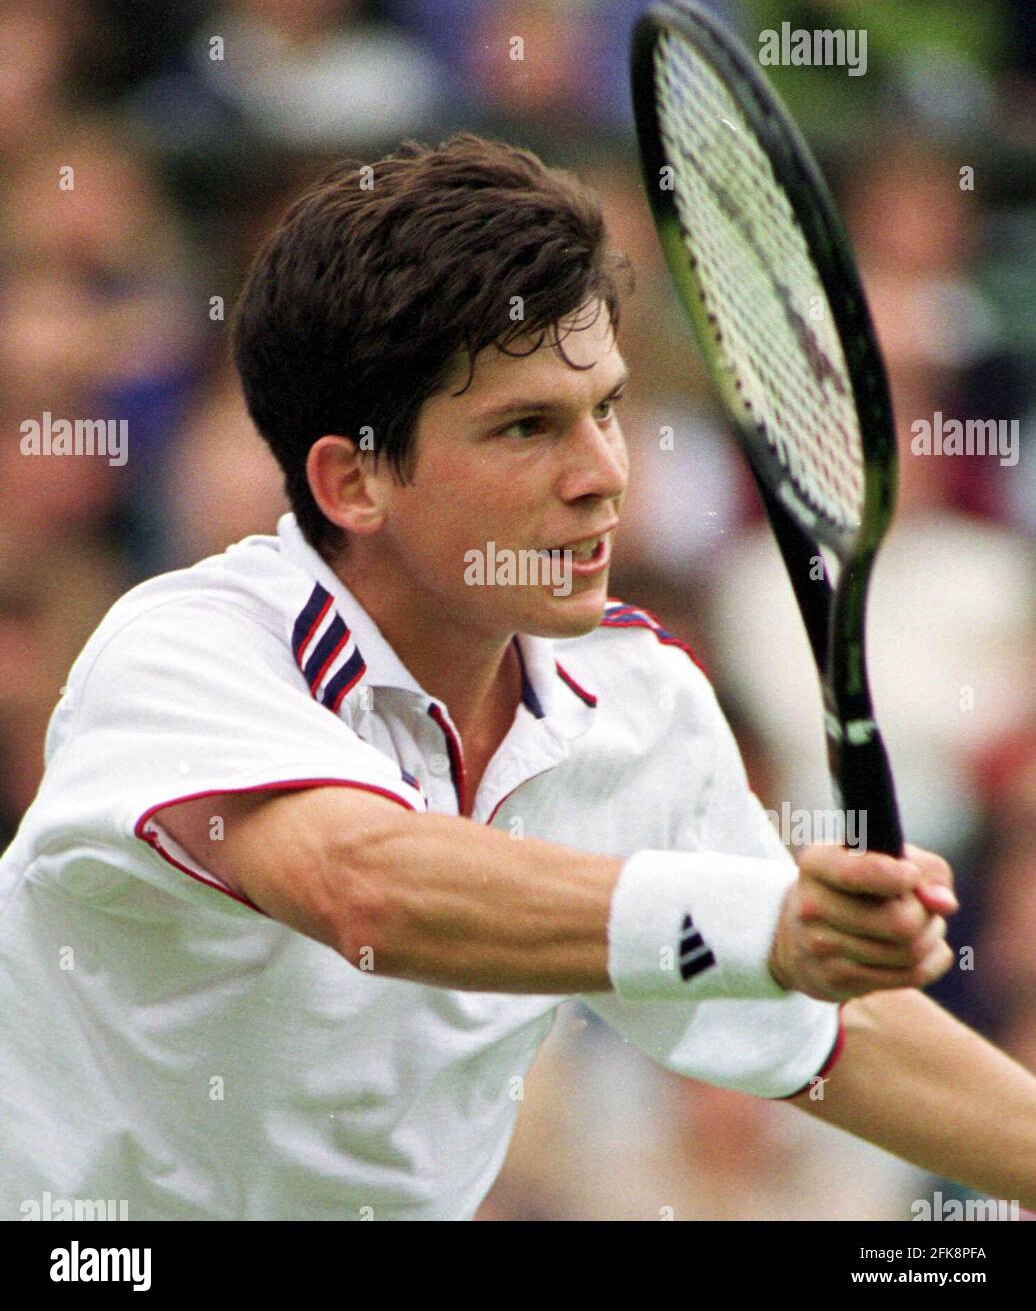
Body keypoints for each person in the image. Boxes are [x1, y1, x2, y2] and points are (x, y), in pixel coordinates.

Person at [1, 134, 1033, 1222]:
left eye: (607, 408)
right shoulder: (183, 650)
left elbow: (828, 1028)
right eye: (527, 426)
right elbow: (366, 889)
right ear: (352, 479)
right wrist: (760, 920)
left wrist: (797, 941)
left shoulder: (641, 705)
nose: (602, 476)